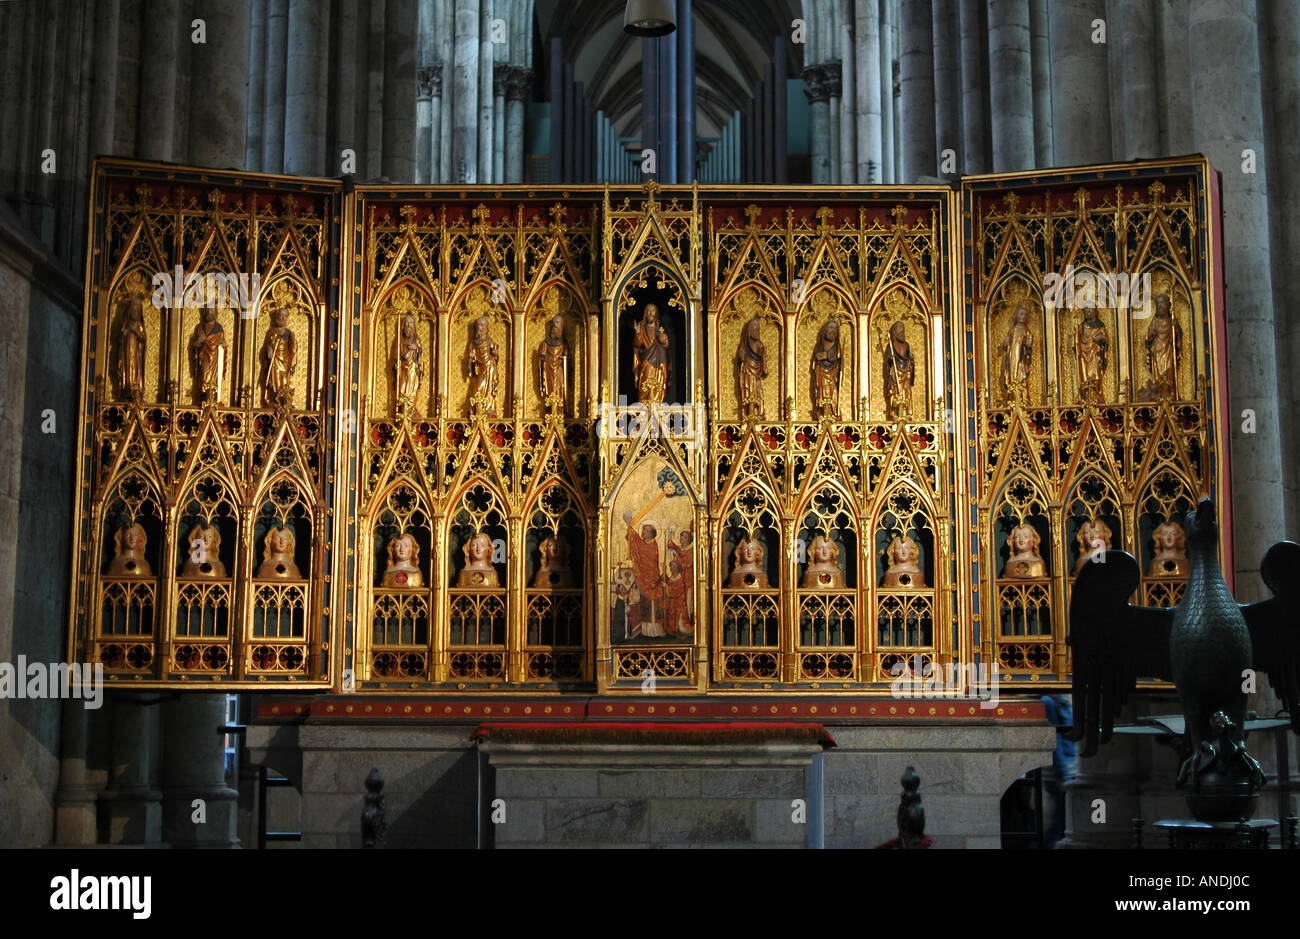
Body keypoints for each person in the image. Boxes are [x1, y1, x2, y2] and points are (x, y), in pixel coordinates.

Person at [1041, 693, 1078, 848]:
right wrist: (1063, 776)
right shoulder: (1049, 701)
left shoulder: (1061, 700)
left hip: (1068, 768)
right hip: (1060, 771)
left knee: (1061, 822)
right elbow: (1054, 741)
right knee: (1061, 824)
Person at [632, 303, 670, 405]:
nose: (650, 313)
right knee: (645, 385)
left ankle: (657, 404)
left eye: (652, 310)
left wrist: (665, 342)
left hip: (659, 363)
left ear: (656, 314)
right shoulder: (642, 328)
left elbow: (666, 347)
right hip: (646, 362)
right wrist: (637, 332)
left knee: (657, 385)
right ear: (645, 313)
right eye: (648, 310)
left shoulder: (659, 330)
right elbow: (637, 344)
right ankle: (644, 405)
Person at [735, 317, 768, 420]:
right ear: (750, 331)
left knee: (758, 393)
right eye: (755, 329)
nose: (758, 332)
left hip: (756, 375)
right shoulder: (744, 345)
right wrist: (742, 356)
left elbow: (764, 362)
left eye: (758, 329)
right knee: (747, 392)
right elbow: (741, 357)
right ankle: (747, 414)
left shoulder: (759, 344)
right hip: (747, 374)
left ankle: (760, 414)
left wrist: (764, 355)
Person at [117, 297, 147, 402]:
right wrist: (125, 332)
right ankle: (127, 387)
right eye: (133, 307)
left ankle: (136, 388)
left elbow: (143, 338)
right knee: (127, 367)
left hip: (136, 353)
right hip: (126, 353)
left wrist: (136, 332)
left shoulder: (140, 325)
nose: (135, 310)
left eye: (137, 308)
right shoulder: (126, 323)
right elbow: (120, 338)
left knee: (136, 368)